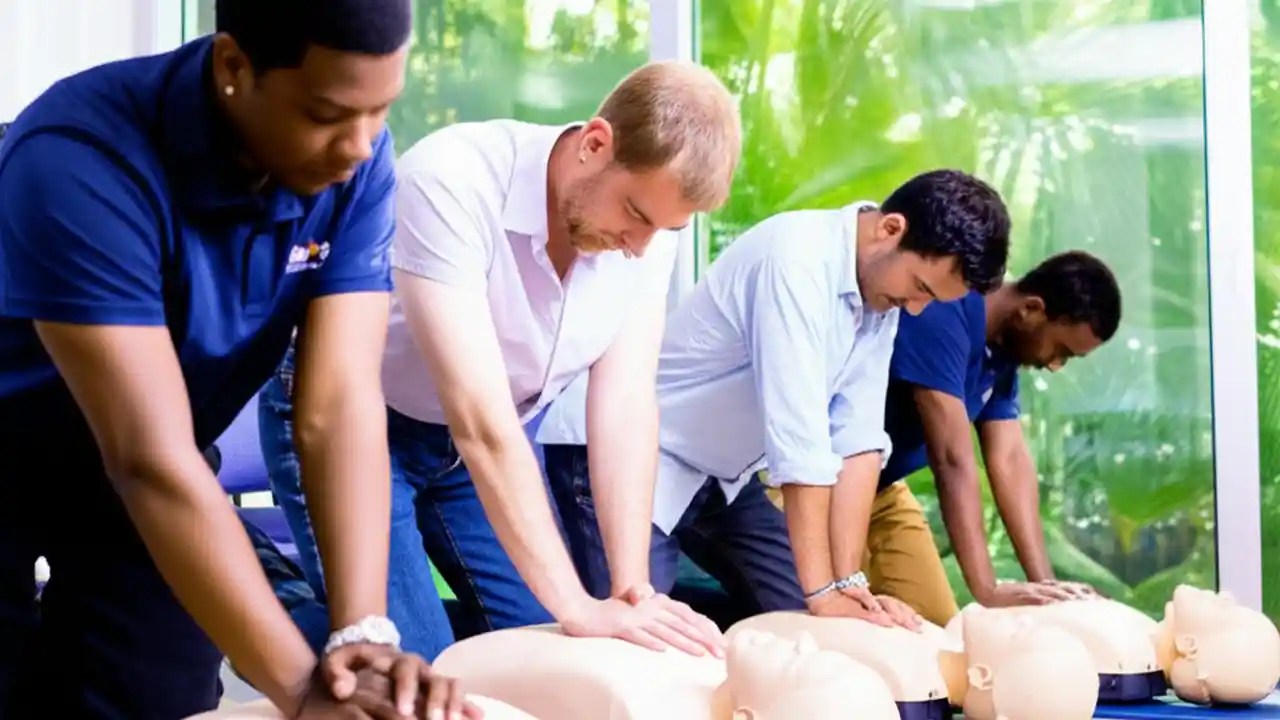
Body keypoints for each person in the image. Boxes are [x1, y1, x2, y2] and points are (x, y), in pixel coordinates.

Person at [0, 1, 473, 718]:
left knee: (160, 692)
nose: (358, 146)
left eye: (380, 112)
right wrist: (300, 690)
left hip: (142, 463)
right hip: (45, 444)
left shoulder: (358, 161)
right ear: (233, 67)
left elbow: (337, 404)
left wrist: (361, 634)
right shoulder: (78, 155)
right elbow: (147, 458)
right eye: (326, 114)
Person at [259, 60, 742, 661]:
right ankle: (263, 591)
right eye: (636, 215)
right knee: (415, 672)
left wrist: (629, 590)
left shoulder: (644, 239)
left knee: (554, 651)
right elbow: (481, 420)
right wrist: (579, 605)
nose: (640, 247)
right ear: (595, 143)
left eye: (662, 230)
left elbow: (624, 407)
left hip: (464, 451)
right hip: (358, 422)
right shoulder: (451, 180)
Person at [543, 169, 1011, 630]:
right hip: (621, 454)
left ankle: (712, 623)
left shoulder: (880, 293)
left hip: (719, 476)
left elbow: (859, 438)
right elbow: (799, 437)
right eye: (921, 288)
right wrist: (823, 593)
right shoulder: (798, 259)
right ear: (890, 230)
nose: (915, 308)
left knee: (820, 620)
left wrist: (847, 584)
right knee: (643, 637)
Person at [870, 250, 1122, 626]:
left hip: (883, 490)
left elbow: (1009, 460)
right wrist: (986, 589)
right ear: (1032, 309)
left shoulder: (1003, 354)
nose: (1055, 366)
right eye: (1061, 351)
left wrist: (1047, 588)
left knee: (939, 629)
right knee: (826, 628)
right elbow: (951, 457)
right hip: (818, 484)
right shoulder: (944, 312)